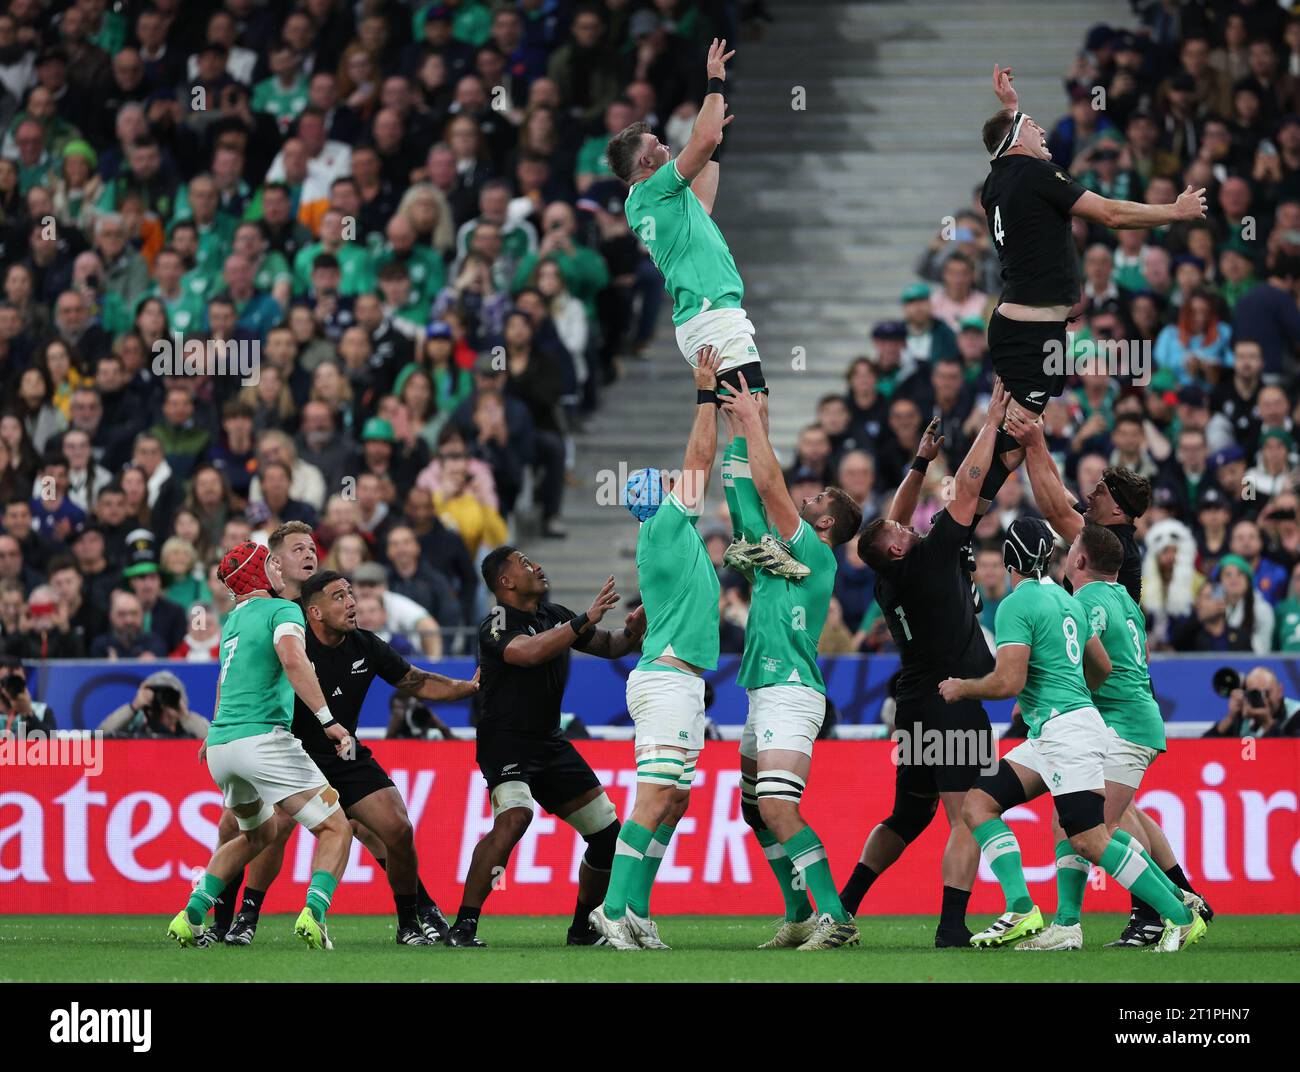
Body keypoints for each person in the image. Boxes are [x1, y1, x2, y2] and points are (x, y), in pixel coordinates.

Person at [939, 517, 1207, 953]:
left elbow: (1007, 681)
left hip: (1065, 732)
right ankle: (1023, 907)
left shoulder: (1014, 605)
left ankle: (1179, 913)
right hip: (1059, 729)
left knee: (1087, 836)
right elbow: (1102, 667)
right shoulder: (1067, 600)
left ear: (1010, 557)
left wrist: (962, 687)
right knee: (979, 803)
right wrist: (1073, 692)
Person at [975, 65, 1206, 516]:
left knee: (1013, 433)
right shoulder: (1035, 174)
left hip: (1023, 326)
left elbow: (1005, 143)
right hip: (1031, 334)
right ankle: (961, 527)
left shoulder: (995, 181)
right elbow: (1111, 215)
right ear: (1019, 139)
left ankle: (965, 521)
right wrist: (1174, 212)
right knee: (1013, 439)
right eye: (1034, 127)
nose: (1044, 132)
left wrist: (1012, 111)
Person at [219, 571, 478, 947]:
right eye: (339, 597)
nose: (351, 603)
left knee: (397, 828)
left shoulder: (366, 645)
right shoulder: (291, 643)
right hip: (291, 753)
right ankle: (247, 917)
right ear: (315, 612)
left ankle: (409, 922)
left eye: (351, 594)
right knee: (274, 830)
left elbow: (416, 681)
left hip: (345, 750)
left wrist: (468, 688)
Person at [845, 381, 1009, 947]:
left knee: (908, 816)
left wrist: (918, 463)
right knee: (968, 814)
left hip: (913, 705)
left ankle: (843, 909)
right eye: (902, 531)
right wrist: (989, 422)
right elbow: (966, 488)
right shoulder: (933, 556)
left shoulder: (889, 576)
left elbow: (892, 517)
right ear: (895, 548)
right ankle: (950, 927)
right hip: (952, 702)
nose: (910, 523)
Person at [719, 372, 864, 950]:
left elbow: (772, 485)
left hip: (793, 689)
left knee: (779, 805)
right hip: (762, 689)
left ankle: (837, 919)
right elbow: (742, 490)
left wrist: (756, 420)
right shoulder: (779, 552)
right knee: (756, 809)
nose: (808, 500)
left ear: (825, 523)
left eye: (817, 502)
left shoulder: (815, 552)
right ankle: (800, 910)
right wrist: (742, 427)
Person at [1017, 523, 1210, 951]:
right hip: (1125, 723)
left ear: (1080, 560)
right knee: (1074, 821)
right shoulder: (1123, 597)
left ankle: (1178, 907)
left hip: (1124, 726)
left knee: (1095, 830)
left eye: (1072, 551)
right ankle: (1070, 922)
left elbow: (1092, 657)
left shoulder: (1085, 600)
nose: (1066, 556)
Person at [588, 350, 724, 950]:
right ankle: (611, 909)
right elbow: (700, 459)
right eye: (672, 487)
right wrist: (705, 395)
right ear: (661, 497)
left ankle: (636, 909)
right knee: (653, 796)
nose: (682, 487)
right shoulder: (667, 527)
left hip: (681, 679)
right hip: (667, 678)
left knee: (677, 799)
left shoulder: (672, 538)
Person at [165, 541, 353, 952]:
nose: (278, 567)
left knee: (258, 834)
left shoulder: (233, 620)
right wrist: (328, 721)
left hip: (221, 746)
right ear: (258, 572)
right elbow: (292, 659)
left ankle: (192, 913)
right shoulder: (284, 610)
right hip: (262, 739)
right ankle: (315, 913)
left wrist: (214, 728)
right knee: (336, 827)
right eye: (270, 561)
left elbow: (224, 679)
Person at [452, 548, 642, 948]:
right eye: (523, 563)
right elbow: (526, 652)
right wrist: (583, 619)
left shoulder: (553, 613)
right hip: (505, 741)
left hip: (549, 741)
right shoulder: (498, 620)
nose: (536, 566)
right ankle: (464, 926)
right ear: (505, 582)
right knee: (516, 817)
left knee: (608, 836)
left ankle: (581, 929)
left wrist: (634, 631)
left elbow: (608, 646)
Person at [604, 41, 760, 399]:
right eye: (657, 143)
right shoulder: (654, 190)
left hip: (707, 316)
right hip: (712, 313)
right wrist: (715, 82)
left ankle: (741, 458)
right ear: (645, 163)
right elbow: (700, 138)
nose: (665, 145)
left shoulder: (650, 199)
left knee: (748, 413)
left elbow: (702, 203)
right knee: (750, 412)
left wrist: (714, 144)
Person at [1203, 666, 1300, 737]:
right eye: (1255, 694)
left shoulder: (1296, 714)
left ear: (1280, 691)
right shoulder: (1244, 715)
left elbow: (1293, 756)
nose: (1263, 699)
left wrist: (1267, 723)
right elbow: (1203, 750)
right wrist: (1230, 718)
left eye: (1266, 693)